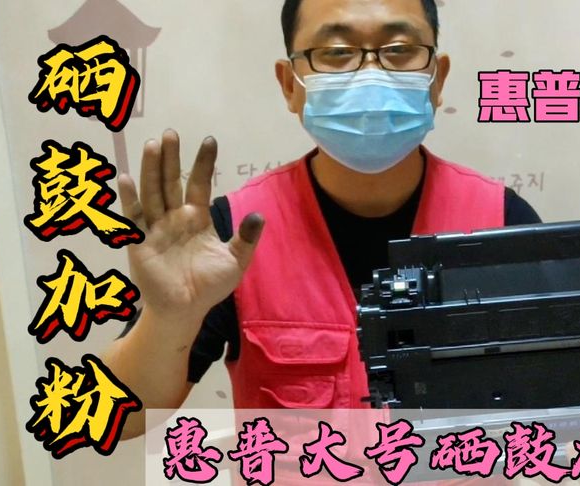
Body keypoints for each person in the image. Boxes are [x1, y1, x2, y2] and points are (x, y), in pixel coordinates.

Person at [103, 0, 541, 439]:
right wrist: (169, 319)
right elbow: (117, 415)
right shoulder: (231, 236)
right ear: (289, 85)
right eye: (336, 52)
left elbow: (557, 402)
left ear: (437, 78)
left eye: (399, 49)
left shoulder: (503, 221)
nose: (370, 74)